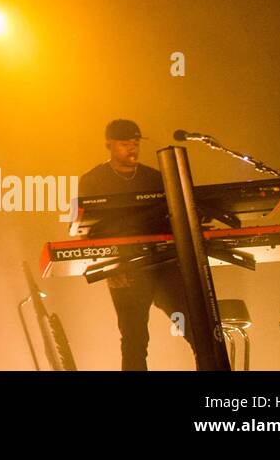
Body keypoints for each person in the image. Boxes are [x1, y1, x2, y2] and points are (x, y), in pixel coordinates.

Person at [80, 119, 196, 371]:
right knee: (134, 338)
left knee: (194, 329)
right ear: (108, 145)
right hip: (126, 268)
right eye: (125, 144)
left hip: (164, 265)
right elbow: (87, 232)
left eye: (135, 144)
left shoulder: (155, 178)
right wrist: (111, 267)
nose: (132, 149)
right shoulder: (92, 180)